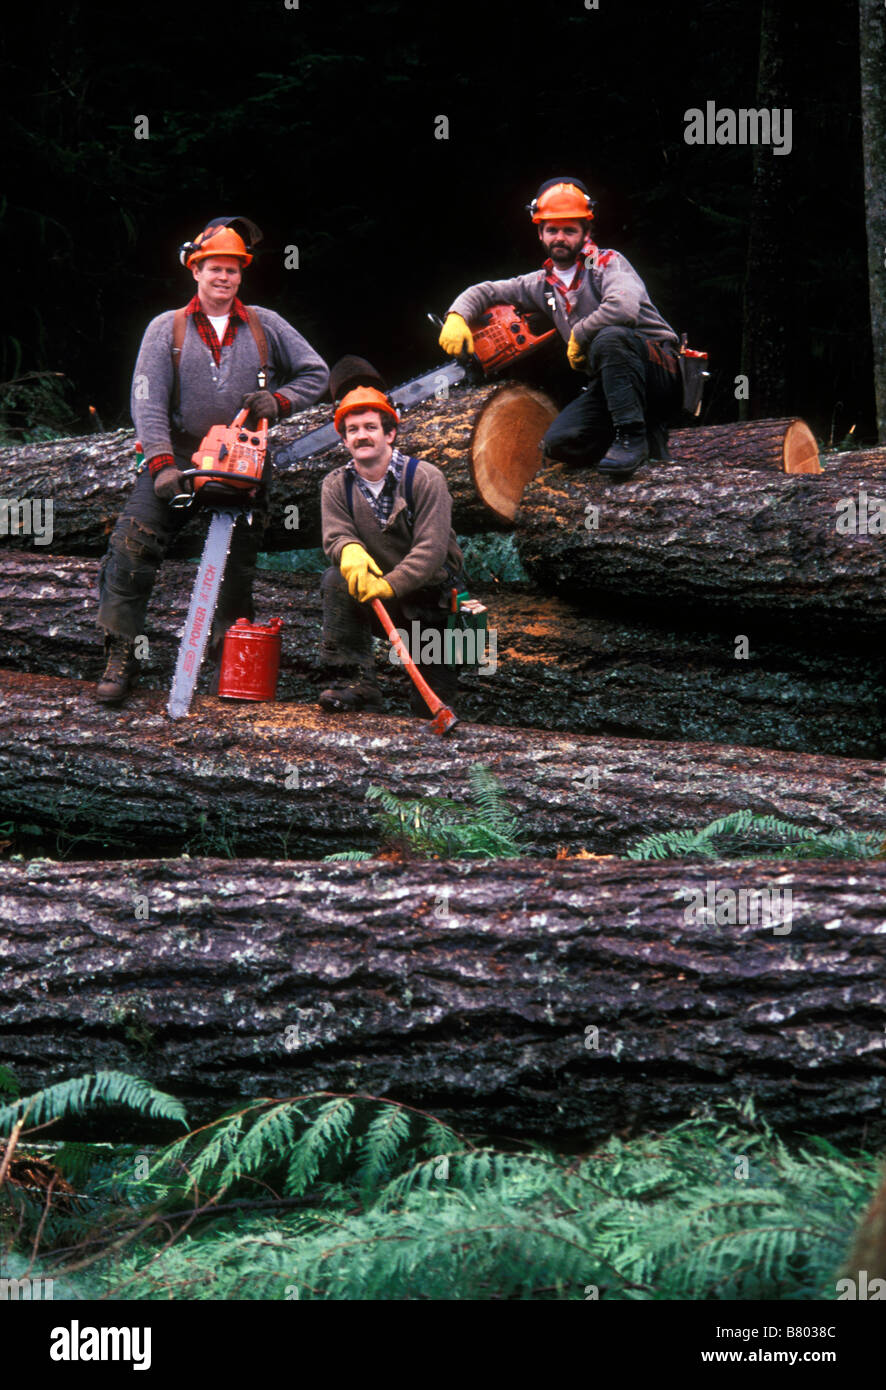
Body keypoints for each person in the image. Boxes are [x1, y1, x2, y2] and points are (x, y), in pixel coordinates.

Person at [95, 215, 329, 704]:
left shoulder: (265, 325)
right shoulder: (168, 328)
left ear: (241, 275)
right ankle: (122, 655)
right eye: (215, 269)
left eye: (233, 270)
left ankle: (231, 666)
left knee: (235, 569)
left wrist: (279, 402)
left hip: (242, 457)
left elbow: (316, 373)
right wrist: (161, 464)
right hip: (182, 455)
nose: (224, 278)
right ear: (195, 271)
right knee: (131, 549)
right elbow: (148, 400)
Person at [439, 177, 682, 476]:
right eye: (552, 230)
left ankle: (631, 437)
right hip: (612, 384)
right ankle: (644, 435)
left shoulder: (606, 263)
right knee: (560, 444)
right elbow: (487, 291)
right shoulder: (542, 284)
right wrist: (457, 316)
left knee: (611, 337)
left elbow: (624, 308)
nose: (560, 237)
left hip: (658, 369)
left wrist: (579, 334)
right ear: (540, 233)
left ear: (586, 232)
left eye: (570, 230)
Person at [318, 384, 465, 717]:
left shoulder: (425, 479)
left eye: (371, 427)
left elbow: (431, 551)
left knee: (430, 709)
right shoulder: (335, 485)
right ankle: (356, 685)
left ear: (391, 433)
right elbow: (336, 534)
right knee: (335, 579)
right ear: (344, 440)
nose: (361, 436)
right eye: (352, 430)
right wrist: (348, 550)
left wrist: (389, 585)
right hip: (377, 602)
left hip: (431, 606)